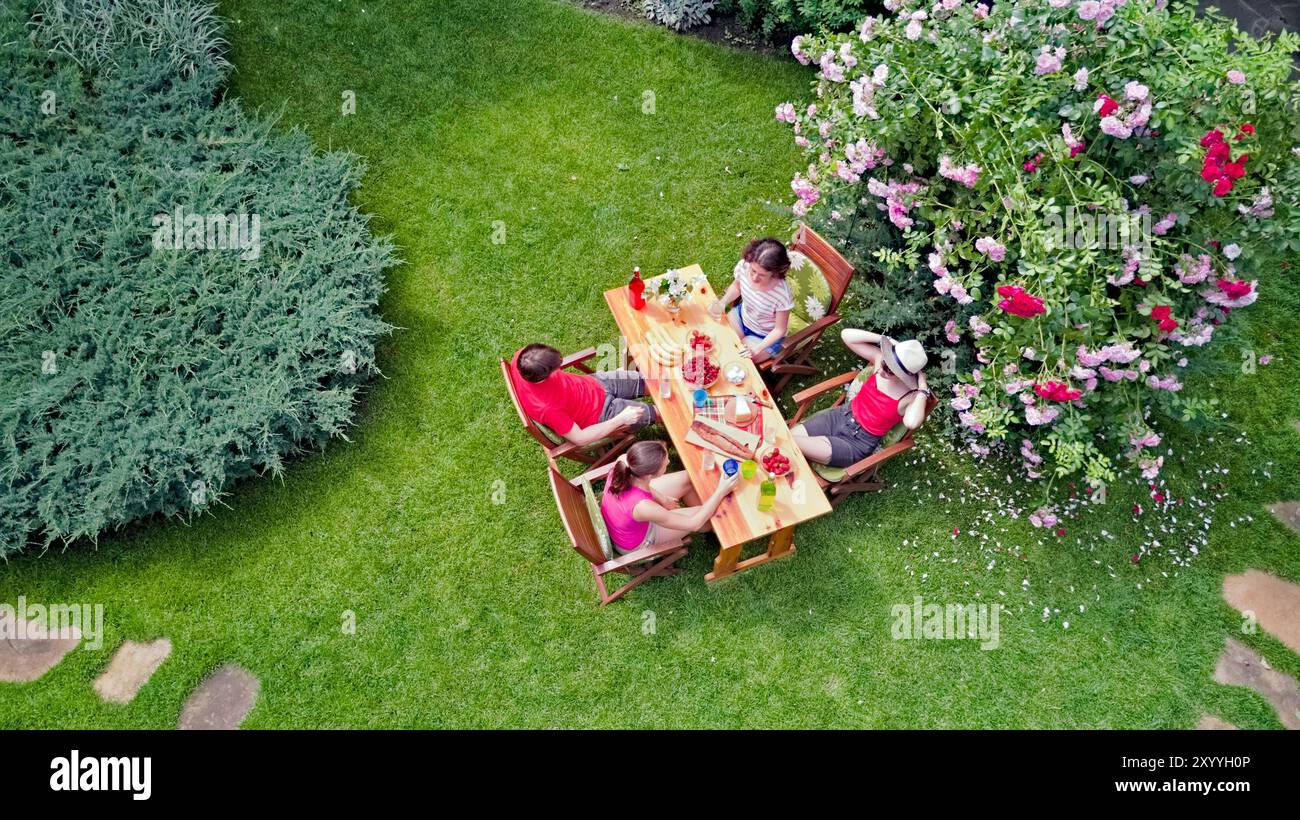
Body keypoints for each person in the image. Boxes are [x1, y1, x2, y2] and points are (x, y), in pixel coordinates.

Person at [792, 330, 931, 468]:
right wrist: (886, 341)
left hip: (856, 442)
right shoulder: (879, 361)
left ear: (903, 375)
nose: (882, 370)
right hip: (839, 417)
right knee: (789, 436)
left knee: (790, 442)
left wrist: (923, 390)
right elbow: (846, 335)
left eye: (890, 370)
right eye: (885, 363)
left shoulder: (910, 395)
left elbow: (912, 423)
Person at [600, 441, 740, 551]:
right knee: (708, 518)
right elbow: (694, 523)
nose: (668, 462)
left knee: (689, 478)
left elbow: (642, 486)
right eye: (665, 464)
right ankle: (712, 527)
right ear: (649, 475)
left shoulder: (624, 462)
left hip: (625, 517)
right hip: (634, 541)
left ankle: (703, 509)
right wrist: (721, 490)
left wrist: (663, 499)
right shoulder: (643, 507)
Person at [509, 343, 657, 446]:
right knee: (657, 413)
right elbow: (580, 438)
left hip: (595, 383)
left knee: (653, 382)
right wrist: (620, 419)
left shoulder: (522, 356)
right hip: (600, 415)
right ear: (543, 377)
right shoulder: (547, 409)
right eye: (556, 368)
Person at [714, 238, 794, 364]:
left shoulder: (782, 294)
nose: (754, 277)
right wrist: (722, 302)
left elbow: (780, 329)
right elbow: (736, 286)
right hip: (742, 317)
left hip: (764, 336)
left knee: (737, 358)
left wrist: (757, 350)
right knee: (719, 340)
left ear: (775, 273)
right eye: (753, 271)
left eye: (762, 275)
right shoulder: (745, 265)